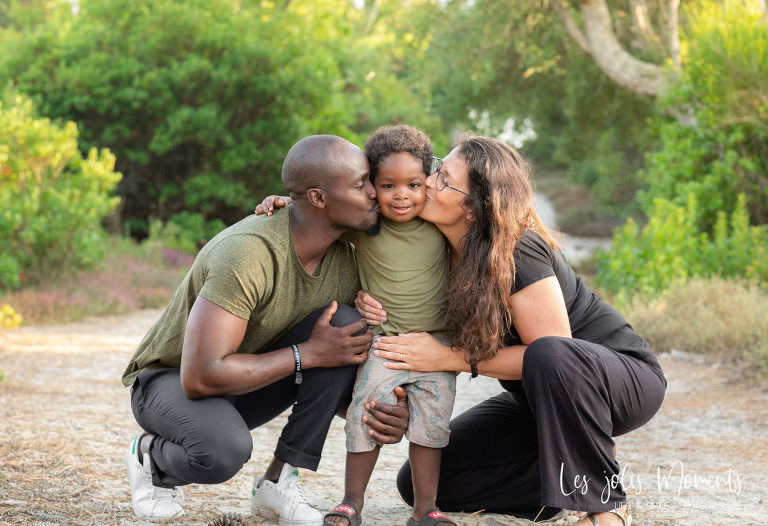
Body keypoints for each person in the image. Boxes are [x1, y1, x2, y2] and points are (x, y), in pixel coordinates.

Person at [358, 134, 667, 526]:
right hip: (536, 402)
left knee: (549, 352)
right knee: (430, 482)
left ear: (473, 207)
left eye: (443, 178)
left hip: (620, 379)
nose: (429, 180)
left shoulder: (516, 249)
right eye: (438, 167)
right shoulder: (434, 247)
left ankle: (605, 508)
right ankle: (558, 486)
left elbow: (555, 350)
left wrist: (449, 357)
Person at [121, 135, 410, 523]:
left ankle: (277, 481)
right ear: (319, 198)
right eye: (362, 185)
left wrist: (378, 410)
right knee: (221, 451)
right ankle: (151, 459)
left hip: (251, 381)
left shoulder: (349, 255)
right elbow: (199, 377)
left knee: (343, 326)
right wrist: (306, 355)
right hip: (170, 381)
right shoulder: (247, 253)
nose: (376, 193)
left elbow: (333, 372)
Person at [256, 125, 458, 526]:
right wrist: (282, 201)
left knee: (431, 429)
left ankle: (425, 509)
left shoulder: (440, 225)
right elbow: (316, 211)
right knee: (365, 416)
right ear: (373, 187)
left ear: (428, 184)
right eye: (388, 185)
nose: (402, 195)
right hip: (385, 344)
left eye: (414, 184)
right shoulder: (368, 226)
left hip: (437, 347)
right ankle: (352, 502)